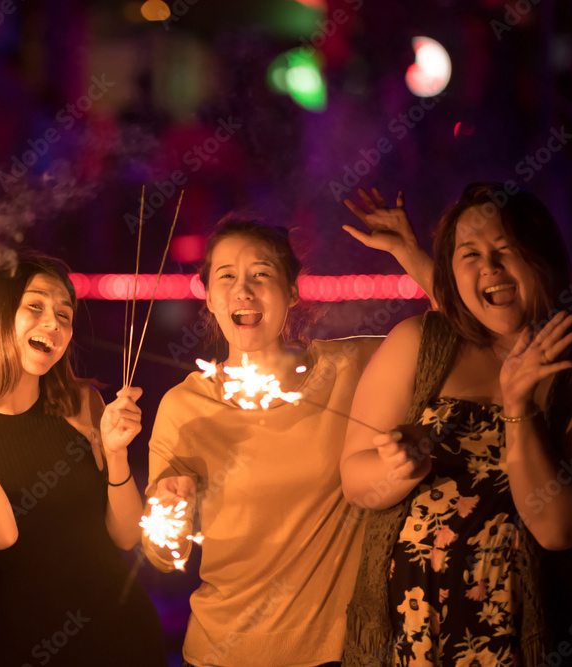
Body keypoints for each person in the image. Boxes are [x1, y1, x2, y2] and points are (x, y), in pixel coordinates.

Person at [340, 183, 572, 666]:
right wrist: (397, 469)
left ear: (543, 259)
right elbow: (355, 481)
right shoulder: (420, 343)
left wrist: (518, 405)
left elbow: (560, 528)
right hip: (400, 648)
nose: (489, 266)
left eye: (505, 249)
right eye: (470, 253)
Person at [143, 216, 400, 667]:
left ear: (293, 291)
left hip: (335, 653)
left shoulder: (351, 368)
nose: (243, 290)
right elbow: (165, 556)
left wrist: (410, 255)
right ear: (208, 296)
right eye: (227, 277)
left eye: (261, 274)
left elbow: (451, 332)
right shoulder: (184, 407)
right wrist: (168, 511)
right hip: (219, 654)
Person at [0, 254, 168, 666]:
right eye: (35, 306)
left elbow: (127, 537)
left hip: (124, 634)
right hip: (27, 641)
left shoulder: (83, 403)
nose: (53, 324)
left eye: (64, 314)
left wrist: (115, 452)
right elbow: (3, 534)